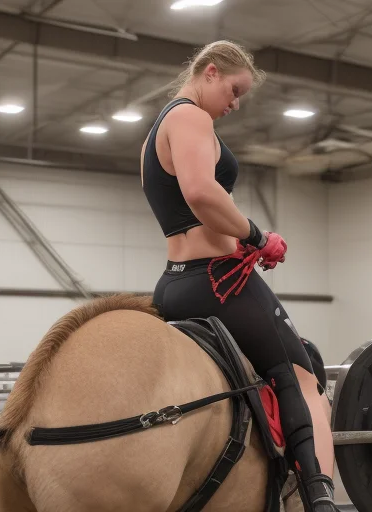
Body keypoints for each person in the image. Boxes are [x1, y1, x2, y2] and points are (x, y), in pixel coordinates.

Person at [142, 40, 337, 512]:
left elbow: (187, 205)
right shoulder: (191, 117)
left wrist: (241, 240)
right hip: (217, 283)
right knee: (301, 377)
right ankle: (319, 497)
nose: (234, 104)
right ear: (210, 72)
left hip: (173, 283)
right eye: (234, 91)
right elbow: (200, 194)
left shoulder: (154, 134)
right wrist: (257, 236)